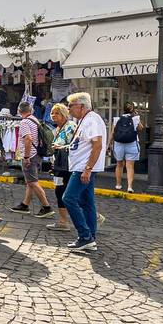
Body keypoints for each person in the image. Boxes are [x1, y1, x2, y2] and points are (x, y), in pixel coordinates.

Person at [61, 91, 106, 253]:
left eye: (70, 106)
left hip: (83, 168)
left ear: (81, 106)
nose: (68, 109)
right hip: (82, 167)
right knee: (87, 203)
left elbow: (97, 145)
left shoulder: (91, 120)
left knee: (69, 198)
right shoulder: (86, 120)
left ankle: (85, 236)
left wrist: (88, 168)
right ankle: (90, 238)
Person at [11, 98, 53, 215]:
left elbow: (28, 138)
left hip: (31, 155)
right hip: (37, 154)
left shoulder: (24, 122)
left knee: (33, 182)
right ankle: (25, 204)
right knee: (30, 181)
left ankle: (46, 207)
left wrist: (26, 157)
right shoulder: (34, 120)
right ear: (31, 110)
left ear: (19, 111)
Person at [46, 102, 74, 233]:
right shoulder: (58, 128)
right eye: (52, 113)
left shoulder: (70, 126)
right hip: (59, 166)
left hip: (68, 166)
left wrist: (60, 147)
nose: (53, 116)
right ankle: (63, 221)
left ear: (64, 114)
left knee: (65, 192)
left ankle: (64, 222)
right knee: (60, 192)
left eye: (57, 113)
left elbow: (76, 145)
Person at [110, 102, 141, 194]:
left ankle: (118, 185)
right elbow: (140, 128)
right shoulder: (135, 118)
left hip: (118, 143)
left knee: (119, 164)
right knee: (130, 166)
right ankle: (129, 187)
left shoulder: (117, 119)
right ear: (132, 109)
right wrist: (137, 117)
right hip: (132, 143)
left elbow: (112, 133)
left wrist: (108, 144)